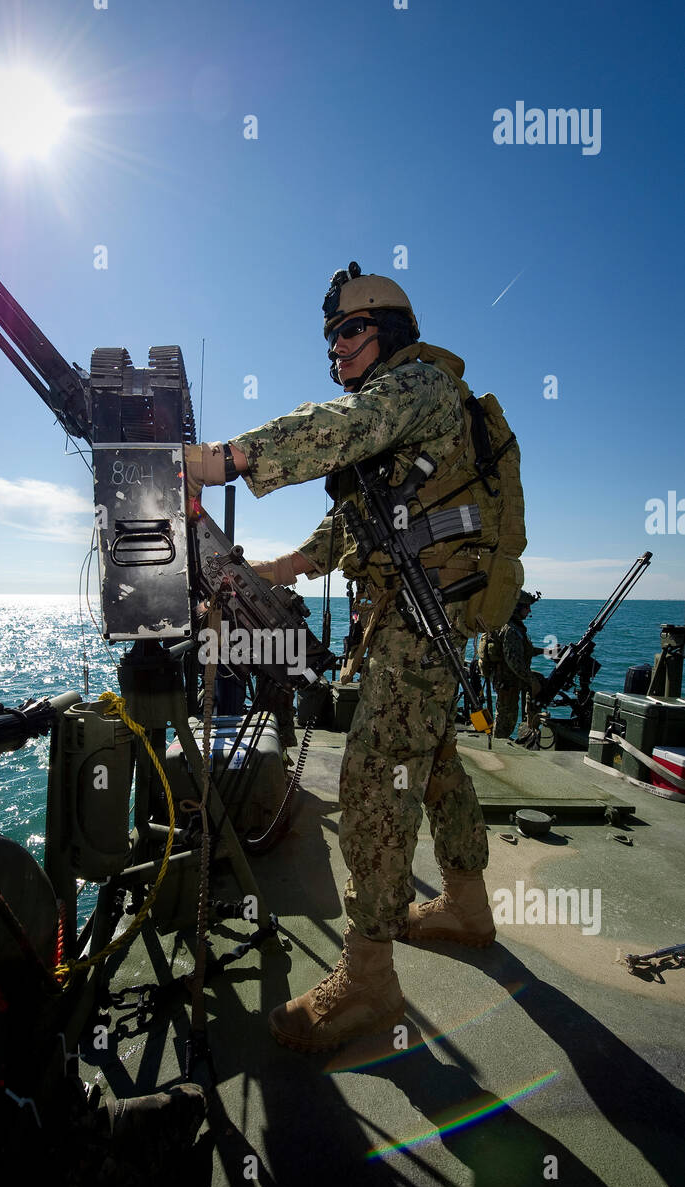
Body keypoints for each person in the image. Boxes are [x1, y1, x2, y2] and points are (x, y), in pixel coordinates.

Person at [184, 263, 499, 1053]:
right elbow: (344, 534)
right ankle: (466, 906)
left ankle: (368, 981)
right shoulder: (393, 428)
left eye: (350, 333)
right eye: (329, 340)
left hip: (423, 616)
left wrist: (219, 459)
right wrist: (268, 570)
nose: (337, 350)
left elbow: (338, 427)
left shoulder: (417, 385)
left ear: (388, 334)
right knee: (431, 764)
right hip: (412, 610)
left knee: (371, 774)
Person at [479, 591, 545, 739]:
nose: (529, 611)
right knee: (506, 720)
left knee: (539, 681)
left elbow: (523, 651)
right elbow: (514, 660)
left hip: (510, 677)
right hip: (507, 680)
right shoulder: (511, 630)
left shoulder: (512, 627)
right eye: (526, 607)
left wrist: (546, 651)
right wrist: (531, 680)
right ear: (516, 608)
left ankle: (530, 724)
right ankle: (497, 748)